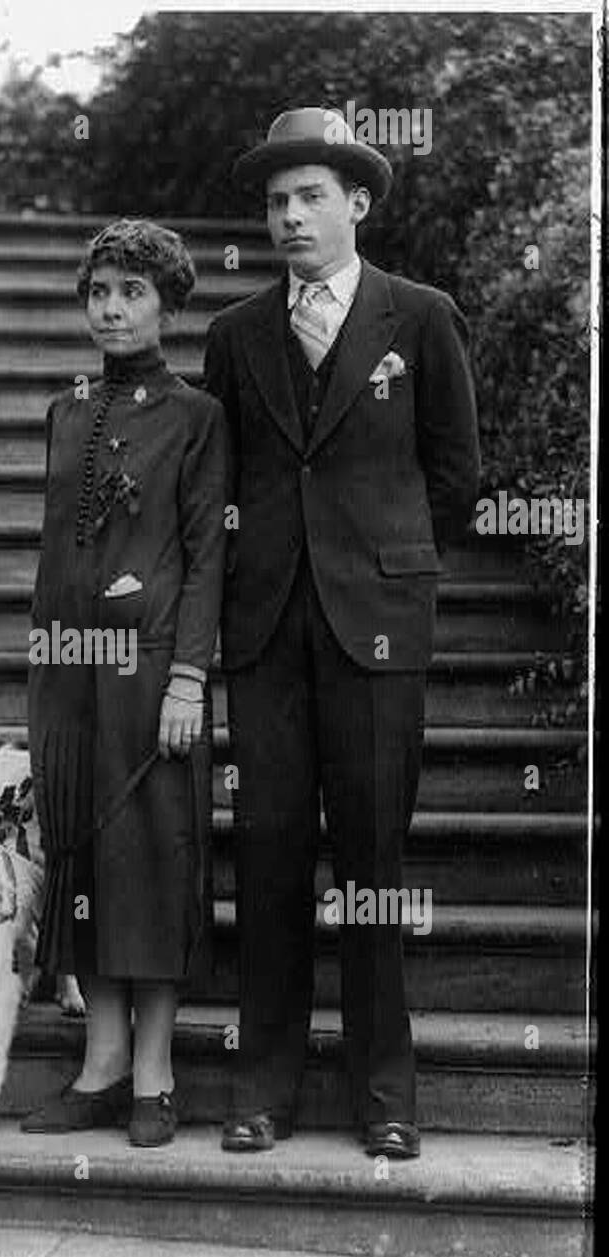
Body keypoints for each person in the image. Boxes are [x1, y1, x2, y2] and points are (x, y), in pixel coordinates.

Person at [205, 109, 480, 1160]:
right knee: (269, 854)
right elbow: (227, 481)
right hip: (267, 627)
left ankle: (383, 1093)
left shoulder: (419, 317)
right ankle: (262, 1089)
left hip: (375, 628)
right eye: (275, 201)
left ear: (356, 203)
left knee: (369, 858)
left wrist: (383, 561)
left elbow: (453, 475)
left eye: (309, 196)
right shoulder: (233, 336)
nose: (288, 217)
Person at [22, 219, 227, 1148]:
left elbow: (205, 556)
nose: (111, 308)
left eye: (132, 292)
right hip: (69, 680)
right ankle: (100, 1066)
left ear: (168, 305)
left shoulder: (197, 418)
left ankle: (155, 1075)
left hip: (152, 676)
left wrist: (188, 675)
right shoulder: (66, 413)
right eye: (100, 291)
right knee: (85, 865)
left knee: (151, 860)